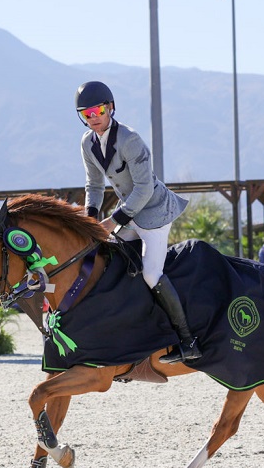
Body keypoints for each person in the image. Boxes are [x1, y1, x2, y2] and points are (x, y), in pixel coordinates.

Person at [76, 80, 201, 364]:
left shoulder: (130, 139)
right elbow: (94, 185)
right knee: (113, 261)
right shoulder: (87, 143)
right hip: (130, 212)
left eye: (98, 111)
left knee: (150, 274)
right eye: (87, 114)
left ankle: (188, 340)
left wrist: (112, 222)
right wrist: (90, 221)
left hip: (155, 211)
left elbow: (144, 189)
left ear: (110, 108)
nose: (93, 118)